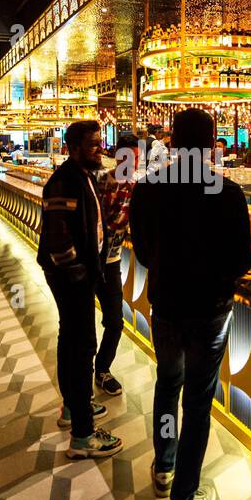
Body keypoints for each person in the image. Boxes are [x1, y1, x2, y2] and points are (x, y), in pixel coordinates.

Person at [130, 109, 251, 500]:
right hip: (210, 307)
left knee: (168, 382)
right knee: (198, 401)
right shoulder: (228, 191)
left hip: (166, 303)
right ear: (212, 141)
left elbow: (142, 251)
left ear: (172, 140)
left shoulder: (147, 189)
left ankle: (164, 466)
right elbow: (241, 259)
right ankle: (183, 499)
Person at [37, 120, 123, 460]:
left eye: (99, 143)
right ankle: (83, 436)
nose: (99, 149)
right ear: (72, 148)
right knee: (82, 344)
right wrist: (81, 275)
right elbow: (58, 240)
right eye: (91, 145)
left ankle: (73, 408)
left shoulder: (83, 176)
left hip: (75, 275)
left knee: (70, 338)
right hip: (70, 277)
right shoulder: (65, 181)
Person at [94, 133, 139, 396]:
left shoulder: (135, 186)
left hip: (112, 262)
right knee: (81, 324)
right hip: (87, 261)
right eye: (128, 157)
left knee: (115, 321)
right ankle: (75, 387)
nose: (132, 163)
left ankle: (102, 369)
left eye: (136, 158)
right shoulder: (100, 181)